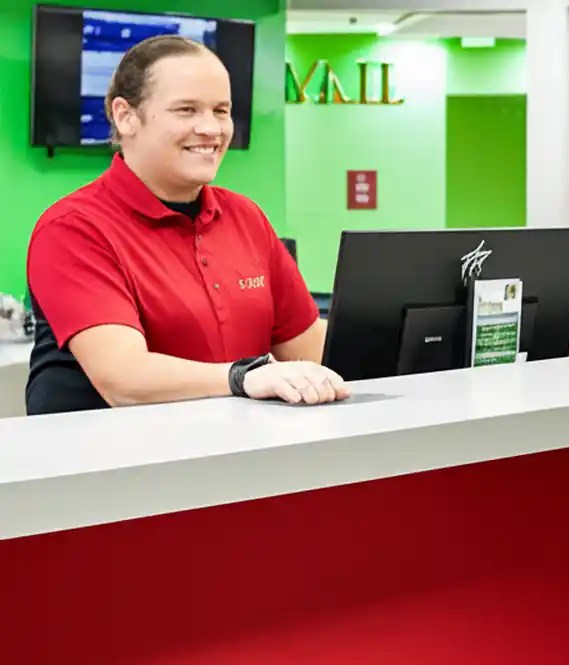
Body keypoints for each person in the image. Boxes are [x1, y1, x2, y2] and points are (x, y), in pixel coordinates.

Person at [25, 35, 348, 415]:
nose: (211, 128)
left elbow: (307, 347)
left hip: (236, 456)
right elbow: (123, 379)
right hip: (112, 464)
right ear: (126, 116)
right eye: (187, 110)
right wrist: (244, 377)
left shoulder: (246, 217)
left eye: (221, 110)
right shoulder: (73, 228)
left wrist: (416, 336)